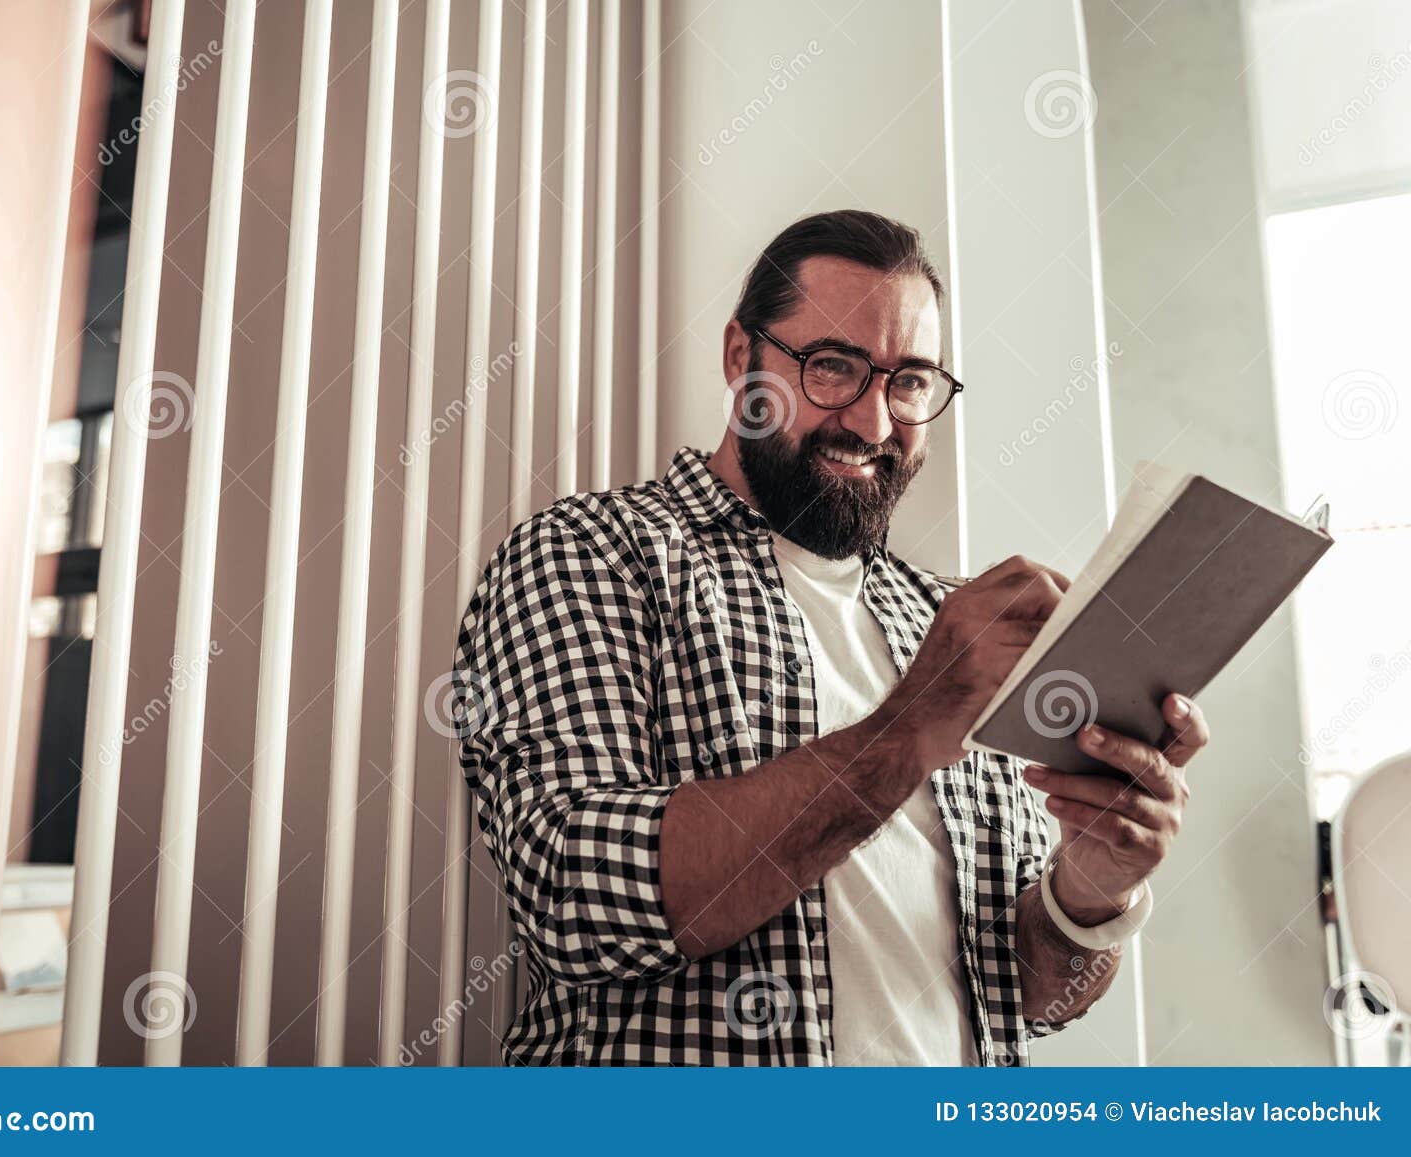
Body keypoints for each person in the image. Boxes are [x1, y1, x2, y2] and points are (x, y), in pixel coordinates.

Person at [453, 209, 1208, 1065]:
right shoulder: (593, 554)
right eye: (835, 366)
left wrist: (1093, 888)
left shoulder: (952, 622)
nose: (875, 423)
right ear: (743, 357)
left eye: (911, 381)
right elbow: (573, 906)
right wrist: (912, 722)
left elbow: (1027, 994)